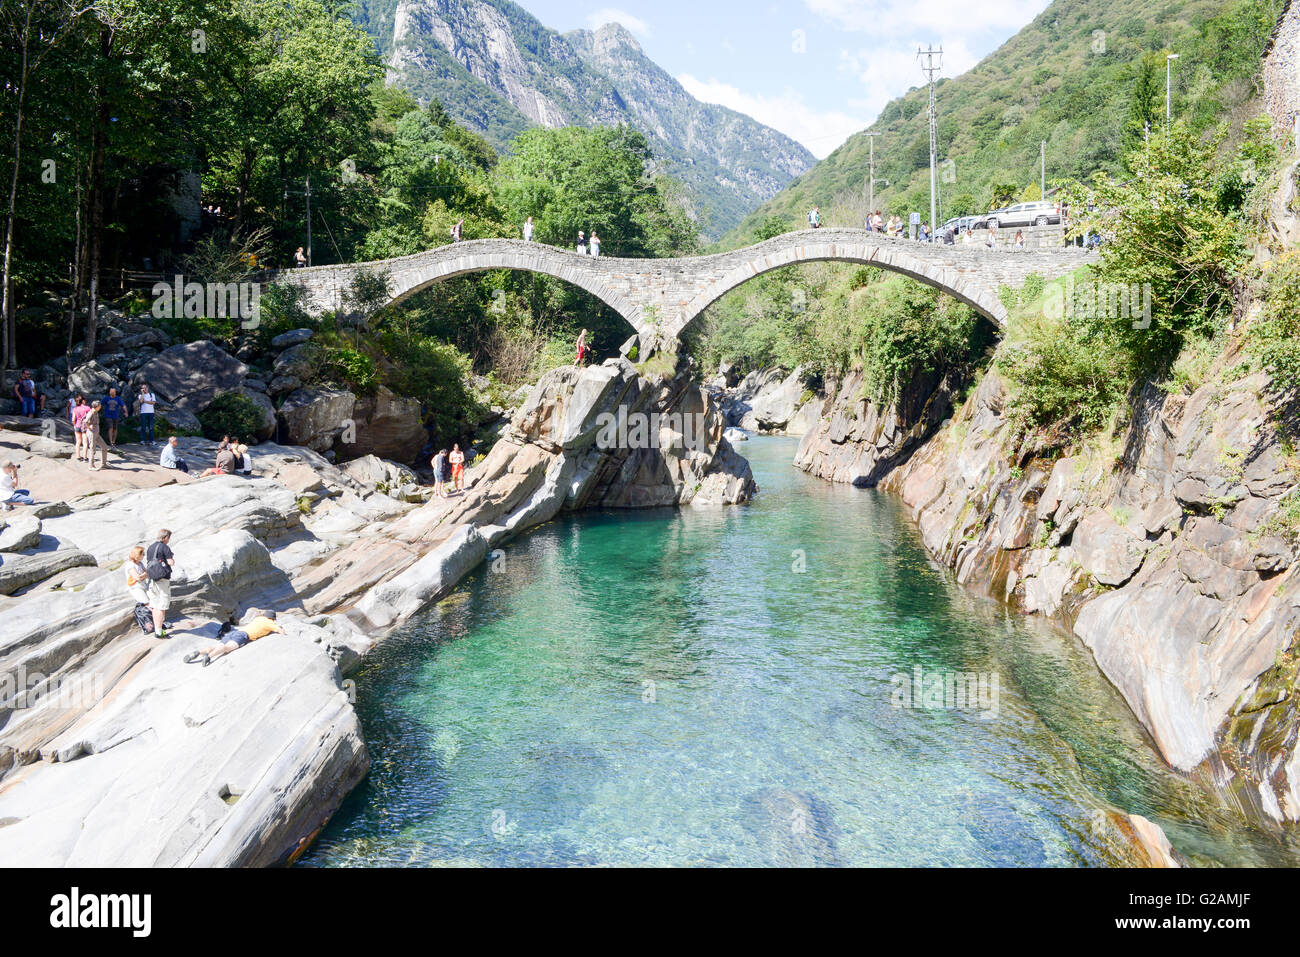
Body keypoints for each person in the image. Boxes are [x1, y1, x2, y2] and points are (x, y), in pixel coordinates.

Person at [184, 611, 285, 667]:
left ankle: (198, 652)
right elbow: (279, 630)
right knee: (226, 648)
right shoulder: (269, 622)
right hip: (243, 636)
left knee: (217, 645)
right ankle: (209, 656)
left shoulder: (258, 618)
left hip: (234, 633)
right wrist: (282, 630)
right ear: (271, 618)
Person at [145, 529, 175, 638]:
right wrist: (172, 561)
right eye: (169, 538)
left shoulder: (150, 547)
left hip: (152, 580)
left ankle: (157, 630)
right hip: (162, 580)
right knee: (162, 606)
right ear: (166, 537)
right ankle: (159, 631)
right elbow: (170, 562)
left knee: (154, 605)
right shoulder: (164, 547)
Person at [124, 545, 152, 609]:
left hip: (143, 586)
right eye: (143, 554)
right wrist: (144, 574)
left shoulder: (140, 563)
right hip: (136, 588)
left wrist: (143, 575)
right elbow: (137, 577)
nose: (144, 555)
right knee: (147, 603)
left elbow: (147, 574)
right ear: (137, 555)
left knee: (151, 602)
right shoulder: (130, 564)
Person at [85, 400, 109, 471]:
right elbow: (86, 421)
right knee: (92, 449)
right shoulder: (91, 413)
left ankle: (104, 464)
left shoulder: (96, 412)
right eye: (100, 405)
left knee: (104, 446)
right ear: (97, 406)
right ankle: (91, 466)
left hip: (96, 433)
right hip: (92, 433)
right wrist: (89, 427)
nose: (101, 406)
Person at [70, 395, 91, 462]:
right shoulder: (87, 408)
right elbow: (90, 418)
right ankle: (85, 457)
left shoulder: (75, 409)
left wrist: (74, 425)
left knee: (78, 442)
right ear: (83, 401)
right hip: (84, 426)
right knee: (85, 442)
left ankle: (78, 457)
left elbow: (73, 419)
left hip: (77, 426)